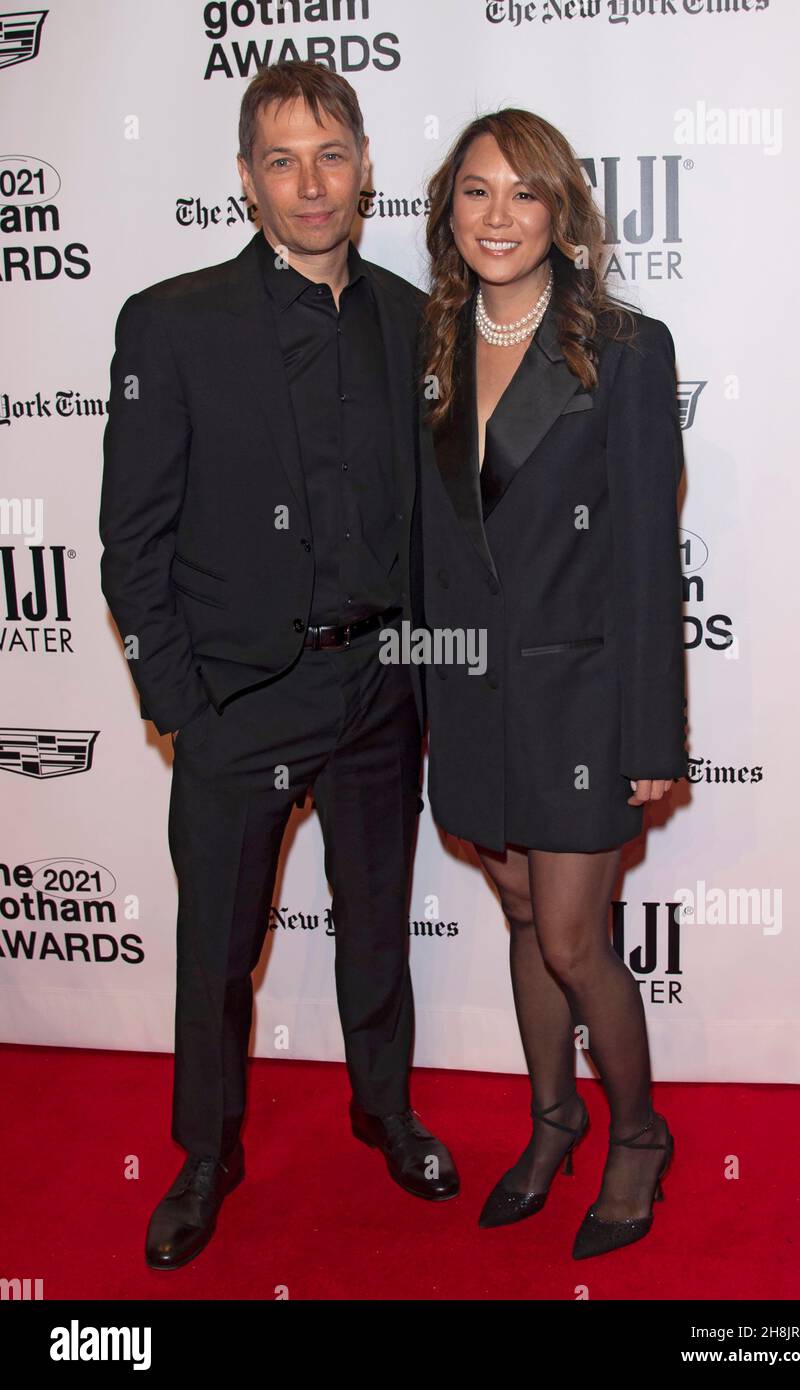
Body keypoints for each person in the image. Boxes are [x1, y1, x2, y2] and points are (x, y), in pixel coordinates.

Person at [99, 60, 458, 1273]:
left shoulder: (416, 319)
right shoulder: (171, 321)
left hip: (377, 692)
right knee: (217, 948)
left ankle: (383, 1105)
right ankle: (205, 1154)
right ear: (245, 179)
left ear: (363, 166)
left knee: (375, 927)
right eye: (281, 159)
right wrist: (180, 711)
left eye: (331, 155)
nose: (310, 184)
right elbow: (131, 538)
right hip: (238, 702)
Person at [418, 109, 687, 1259]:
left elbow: (640, 557)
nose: (496, 215)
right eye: (474, 191)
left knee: (574, 937)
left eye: (522, 193)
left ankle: (636, 1136)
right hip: (473, 699)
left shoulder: (621, 347)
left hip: (581, 700)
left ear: (560, 213)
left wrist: (649, 736)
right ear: (447, 212)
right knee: (523, 911)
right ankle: (551, 1121)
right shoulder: (426, 345)